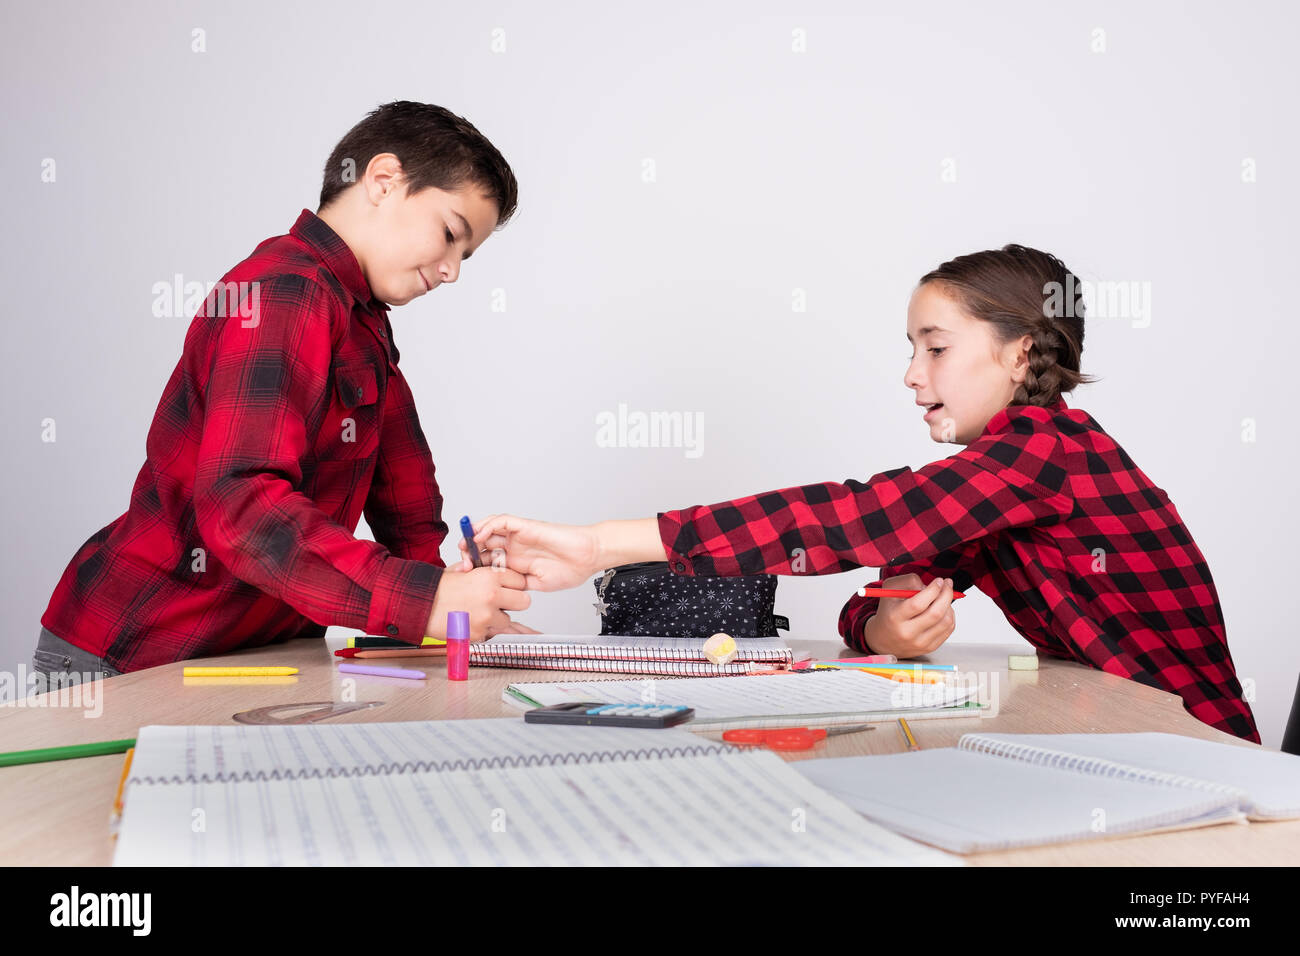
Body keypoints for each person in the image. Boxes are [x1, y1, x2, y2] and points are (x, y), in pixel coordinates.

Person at [462, 245, 1260, 743]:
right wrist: (885, 628)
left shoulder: (1045, 456)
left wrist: (600, 544)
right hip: (1124, 739)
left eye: (936, 347)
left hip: (1199, 756)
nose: (912, 374)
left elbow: (857, 517)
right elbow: (883, 574)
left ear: (1021, 355)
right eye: (911, 348)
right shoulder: (1001, 482)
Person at [36, 101, 532, 685]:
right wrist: (424, 600)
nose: (452, 270)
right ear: (382, 181)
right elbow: (241, 504)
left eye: (464, 255)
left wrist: (460, 597)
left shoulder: (364, 319)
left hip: (255, 658)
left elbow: (406, 498)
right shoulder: (282, 291)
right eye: (450, 234)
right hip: (136, 654)